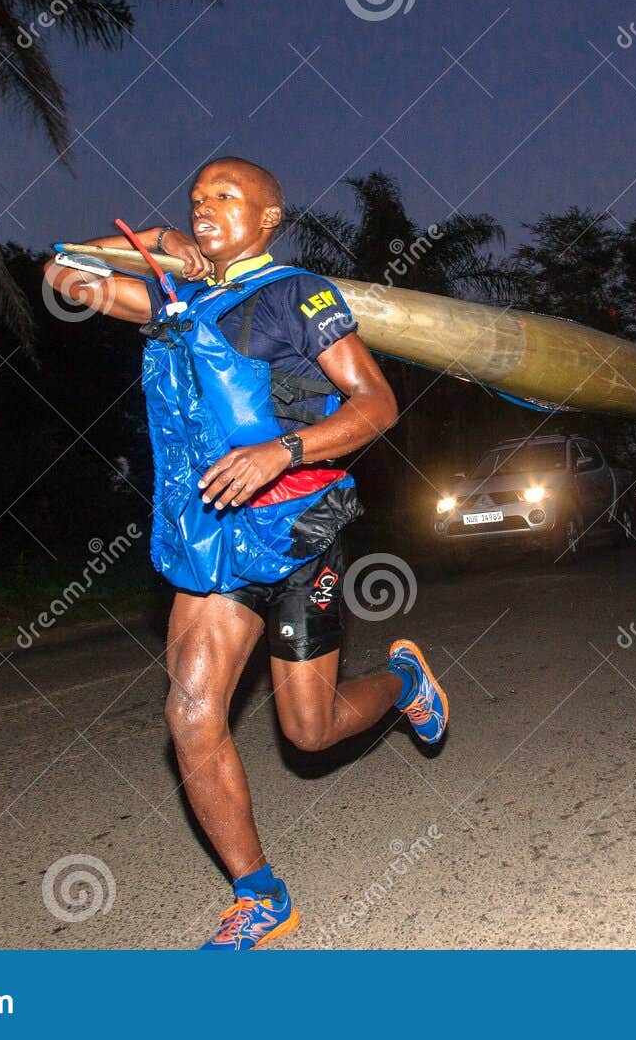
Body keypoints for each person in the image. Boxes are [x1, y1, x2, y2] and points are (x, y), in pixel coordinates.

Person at [42, 157, 449, 950]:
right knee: (189, 711)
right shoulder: (174, 301)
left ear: (267, 218)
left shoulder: (300, 294)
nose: (205, 206)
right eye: (196, 198)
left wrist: (283, 450)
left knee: (310, 730)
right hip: (211, 540)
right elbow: (63, 274)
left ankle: (404, 681)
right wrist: (156, 243)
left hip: (296, 531)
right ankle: (260, 893)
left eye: (225, 196)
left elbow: (377, 403)